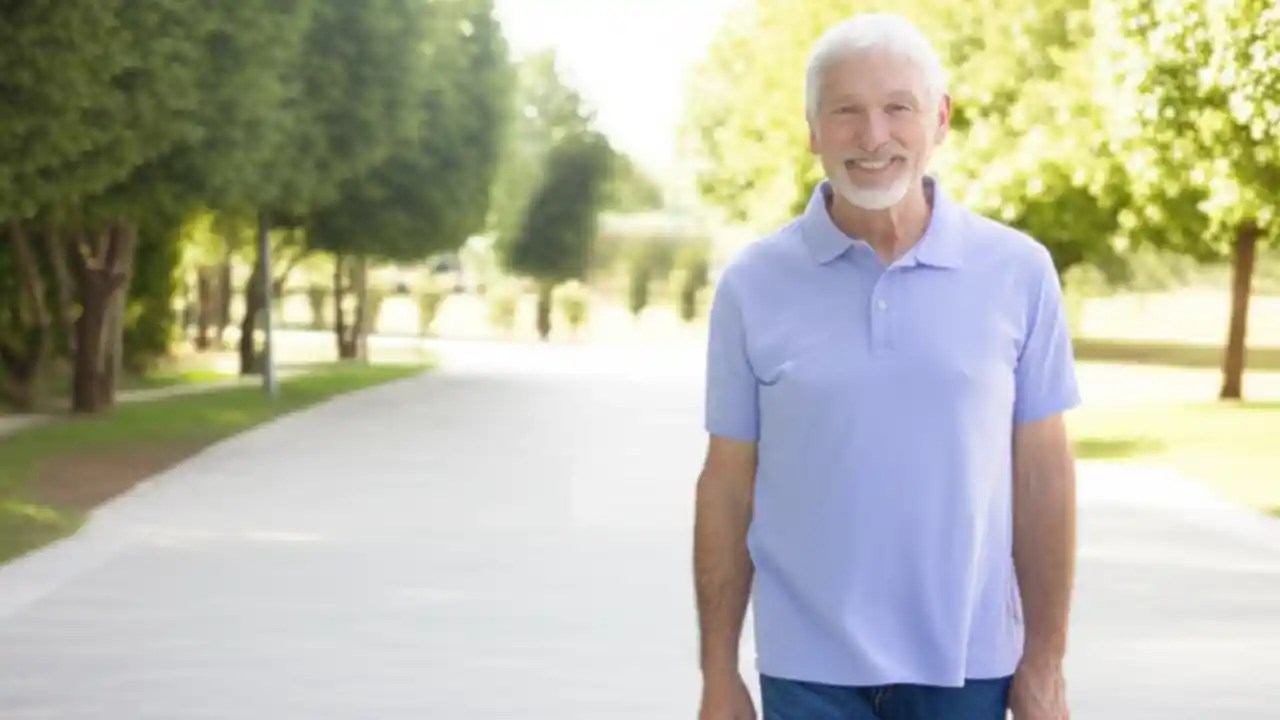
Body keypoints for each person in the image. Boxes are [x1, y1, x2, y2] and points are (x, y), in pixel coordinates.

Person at [693, 12, 1080, 720]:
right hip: (806, 671)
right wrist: (717, 673)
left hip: (970, 666)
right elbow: (726, 488)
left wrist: (1045, 664)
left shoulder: (1019, 273)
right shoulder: (753, 284)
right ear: (812, 130)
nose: (873, 137)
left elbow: (1044, 477)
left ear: (940, 119)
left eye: (897, 108)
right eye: (846, 112)